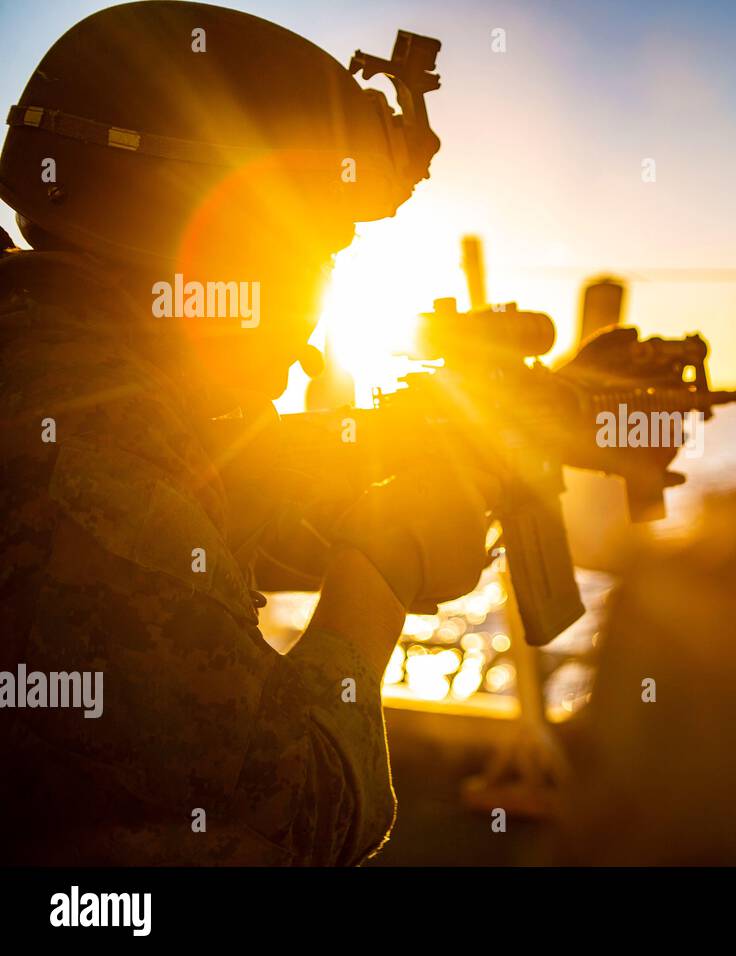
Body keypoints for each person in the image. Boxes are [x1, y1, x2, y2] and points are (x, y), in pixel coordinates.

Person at [0, 1, 487, 864]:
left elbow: (220, 494)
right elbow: (277, 819)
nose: (312, 313)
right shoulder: (82, 460)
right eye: (315, 250)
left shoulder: (51, 362)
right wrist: (383, 569)